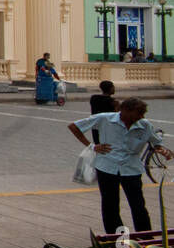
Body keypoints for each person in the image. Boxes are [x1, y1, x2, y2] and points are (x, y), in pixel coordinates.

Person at [69, 98, 172, 235]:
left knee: (138, 205)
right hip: (107, 167)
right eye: (139, 113)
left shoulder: (144, 125)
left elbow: (156, 142)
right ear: (125, 111)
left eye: (143, 113)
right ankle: (116, 237)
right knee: (110, 205)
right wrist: (92, 146)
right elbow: (74, 126)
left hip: (131, 169)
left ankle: (145, 236)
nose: (141, 116)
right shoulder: (105, 119)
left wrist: (161, 150)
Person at [88, 80, 118, 145]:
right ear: (110, 88)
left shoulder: (94, 98)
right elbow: (116, 114)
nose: (114, 89)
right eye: (113, 87)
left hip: (96, 124)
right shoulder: (113, 102)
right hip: (107, 126)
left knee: (97, 143)